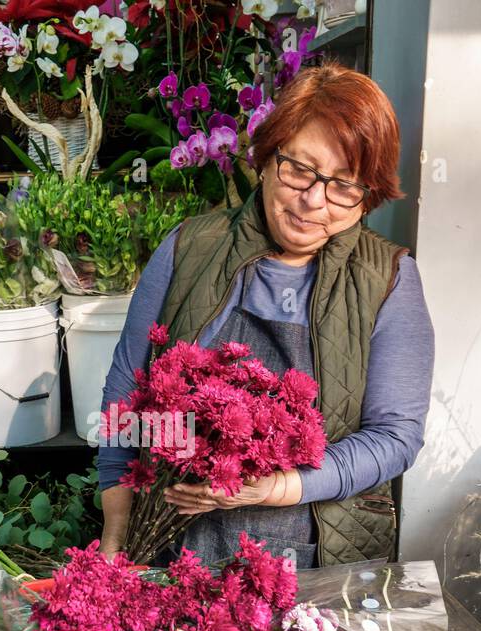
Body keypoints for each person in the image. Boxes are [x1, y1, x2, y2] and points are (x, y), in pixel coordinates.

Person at [97, 62, 434, 569]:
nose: (313, 201)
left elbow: (394, 437)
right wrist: (118, 538)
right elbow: (126, 392)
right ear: (267, 157)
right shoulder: (189, 248)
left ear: (369, 198)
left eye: (344, 186)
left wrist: (277, 487)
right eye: (299, 169)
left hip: (314, 556)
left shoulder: (389, 279)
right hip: (169, 541)